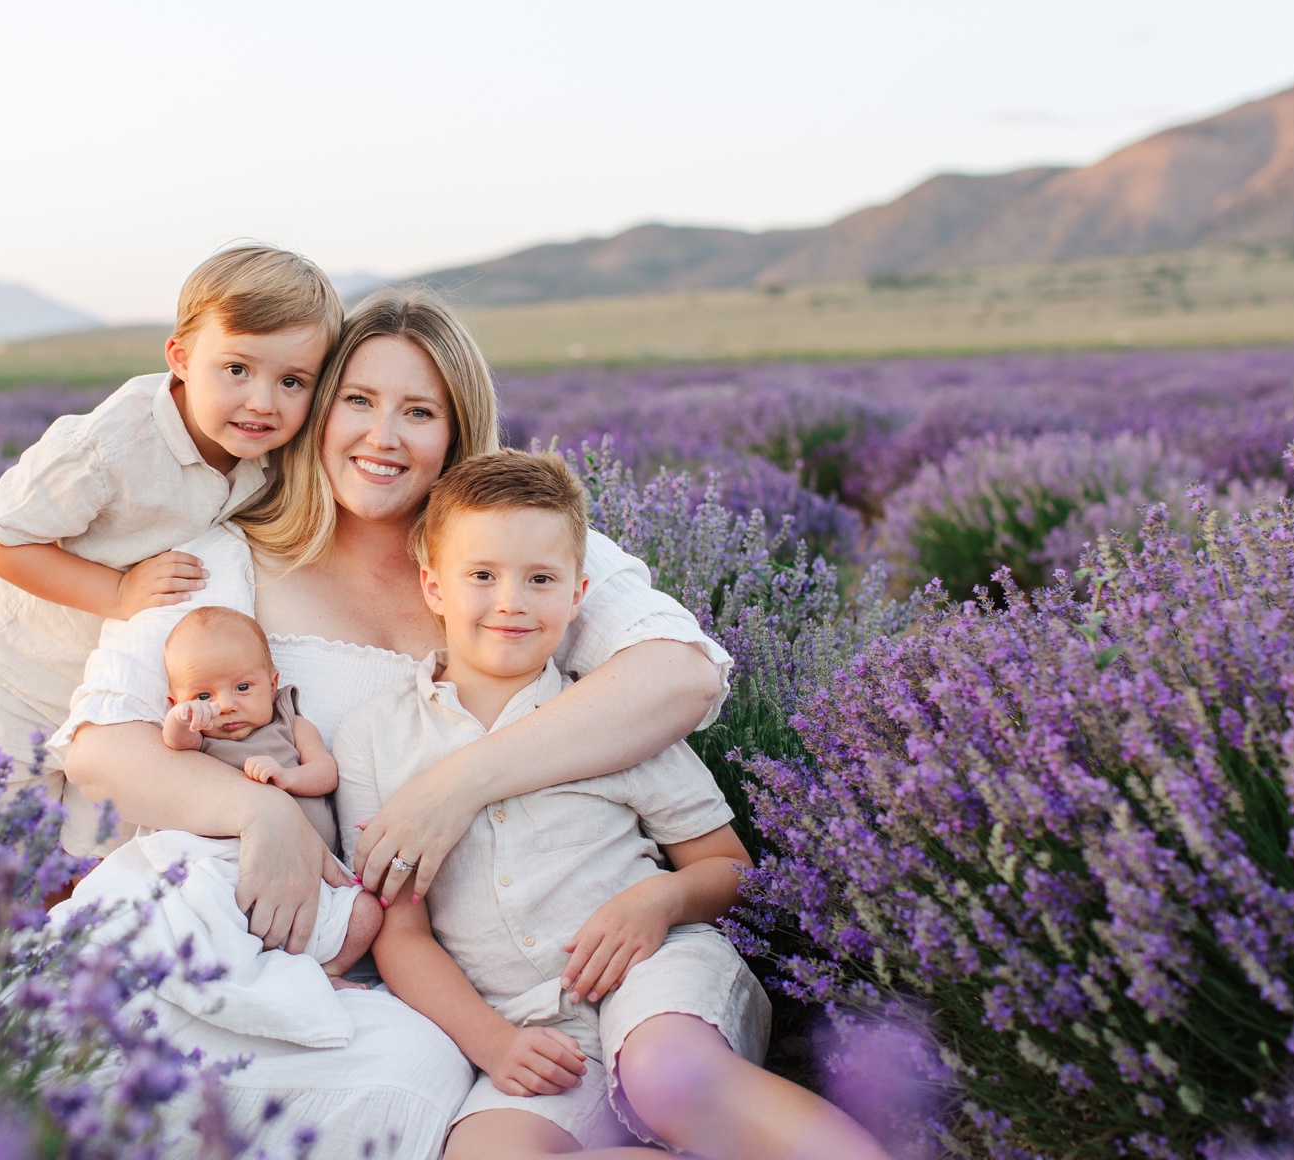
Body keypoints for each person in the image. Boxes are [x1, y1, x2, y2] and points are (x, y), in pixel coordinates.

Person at [47, 289, 733, 1158]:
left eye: (419, 411)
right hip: (240, 921)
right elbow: (102, 746)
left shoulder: (500, 550)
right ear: (318, 412)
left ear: (456, 430)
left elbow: (680, 674)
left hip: (424, 973)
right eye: (358, 402)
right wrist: (260, 813)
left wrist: (456, 785)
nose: (383, 436)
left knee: (412, 1080)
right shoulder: (227, 558)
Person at [340, 449, 890, 1160]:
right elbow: (401, 936)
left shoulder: (606, 716)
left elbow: (728, 867)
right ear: (434, 587)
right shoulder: (376, 739)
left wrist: (658, 900)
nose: (510, 601)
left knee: (667, 1078)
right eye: (482, 576)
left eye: (540, 579)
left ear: (577, 596)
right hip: (526, 1024)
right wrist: (492, 1041)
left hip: (660, 980)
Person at [0, 244, 340, 856]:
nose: (264, 400)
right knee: (11, 847)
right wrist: (118, 592)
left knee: (98, 847)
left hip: (113, 684)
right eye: (237, 369)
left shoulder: (264, 450)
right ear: (181, 358)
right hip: (23, 675)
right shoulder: (114, 444)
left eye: (292, 381)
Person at [158, 605, 381, 987]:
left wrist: (287, 777)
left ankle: (327, 974)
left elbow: (325, 774)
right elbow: (174, 743)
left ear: (273, 682)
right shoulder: (203, 737)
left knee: (367, 913)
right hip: (233, 862)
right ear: (177, 703)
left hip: (314, 871)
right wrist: (182, 720)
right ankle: (234, 970)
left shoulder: (291, 721)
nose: (226, 705)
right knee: (200, 897)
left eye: (243, 687)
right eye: (204, 694)